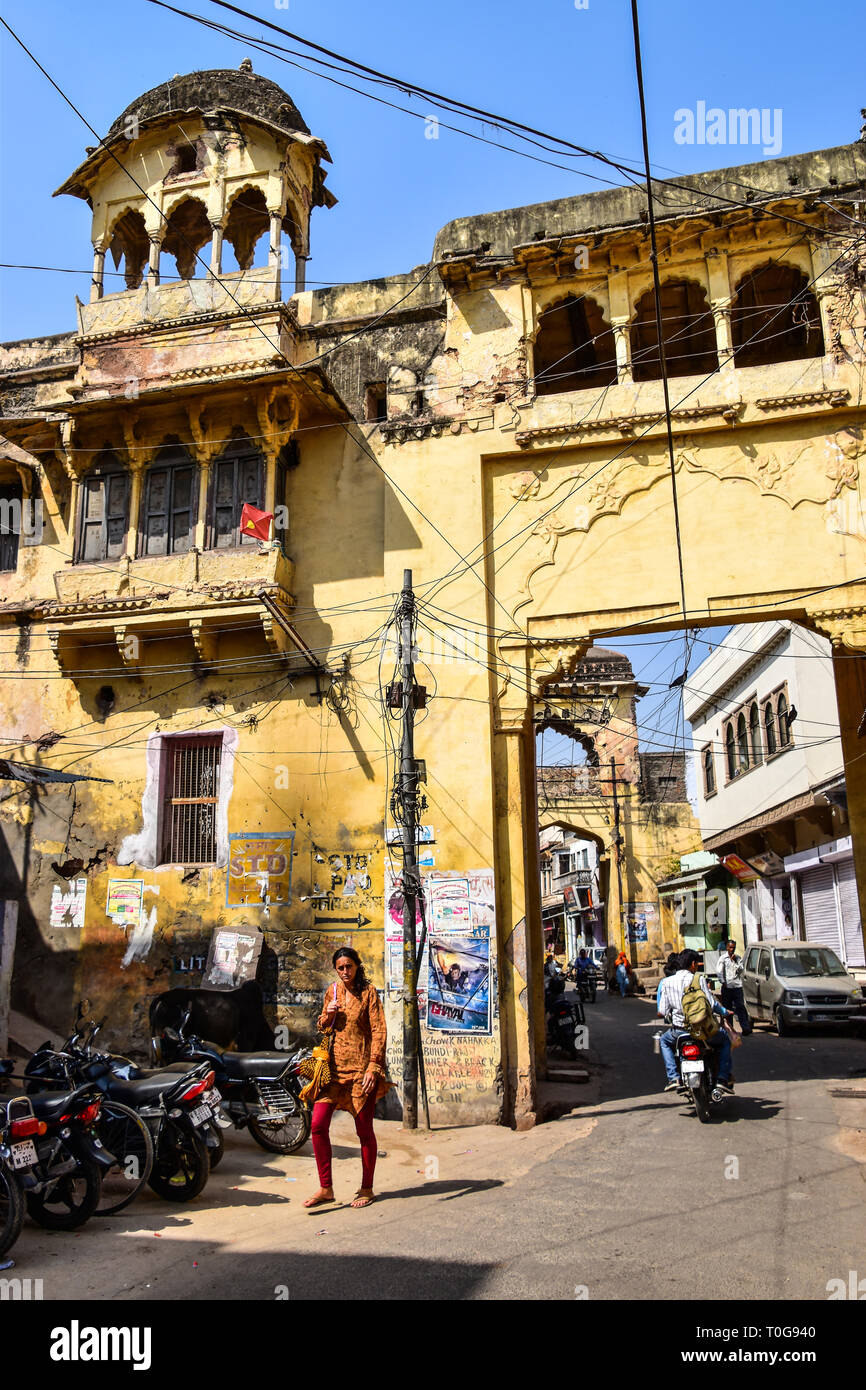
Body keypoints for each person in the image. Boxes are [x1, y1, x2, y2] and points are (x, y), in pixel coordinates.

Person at [303, 947, 393, 1210]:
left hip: (360, 1072)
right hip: (332, 1072)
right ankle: (326, 1188)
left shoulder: (369, 993)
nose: (345, 972)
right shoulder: (332, 991)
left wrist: (373, 1066)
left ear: (357, 966)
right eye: (340, 968)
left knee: (364, 1131)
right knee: (318, 1126)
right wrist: (329, 1013)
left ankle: (366, 1187)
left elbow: (379, 1030)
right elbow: (322, 1026)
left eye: (349, 967)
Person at [656, 949, 734, 1095]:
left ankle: (674, 1078)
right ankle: (723, 1078)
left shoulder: (666, 982)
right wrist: (724, 1012)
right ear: (692, 964)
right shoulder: (699, 979)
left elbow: (663, 1011)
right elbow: (711, 1004)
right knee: (724, 1040)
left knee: (664, 1042)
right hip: (703, 1030)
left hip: (679, 1031)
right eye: (697, 963)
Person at [716, 938, 753, 1035]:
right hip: (727, 987)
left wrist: (735, 962)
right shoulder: (723, 959)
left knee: (740, 1007)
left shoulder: (738, 958)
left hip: (737, 986)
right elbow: (719, 972)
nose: (732, 949)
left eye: (733, 947)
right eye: (730, 947)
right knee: (728, 1009)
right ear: (727, 947)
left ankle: (745, 1028)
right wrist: (723, 982)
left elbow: (741, 970)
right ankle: (730, 1029)